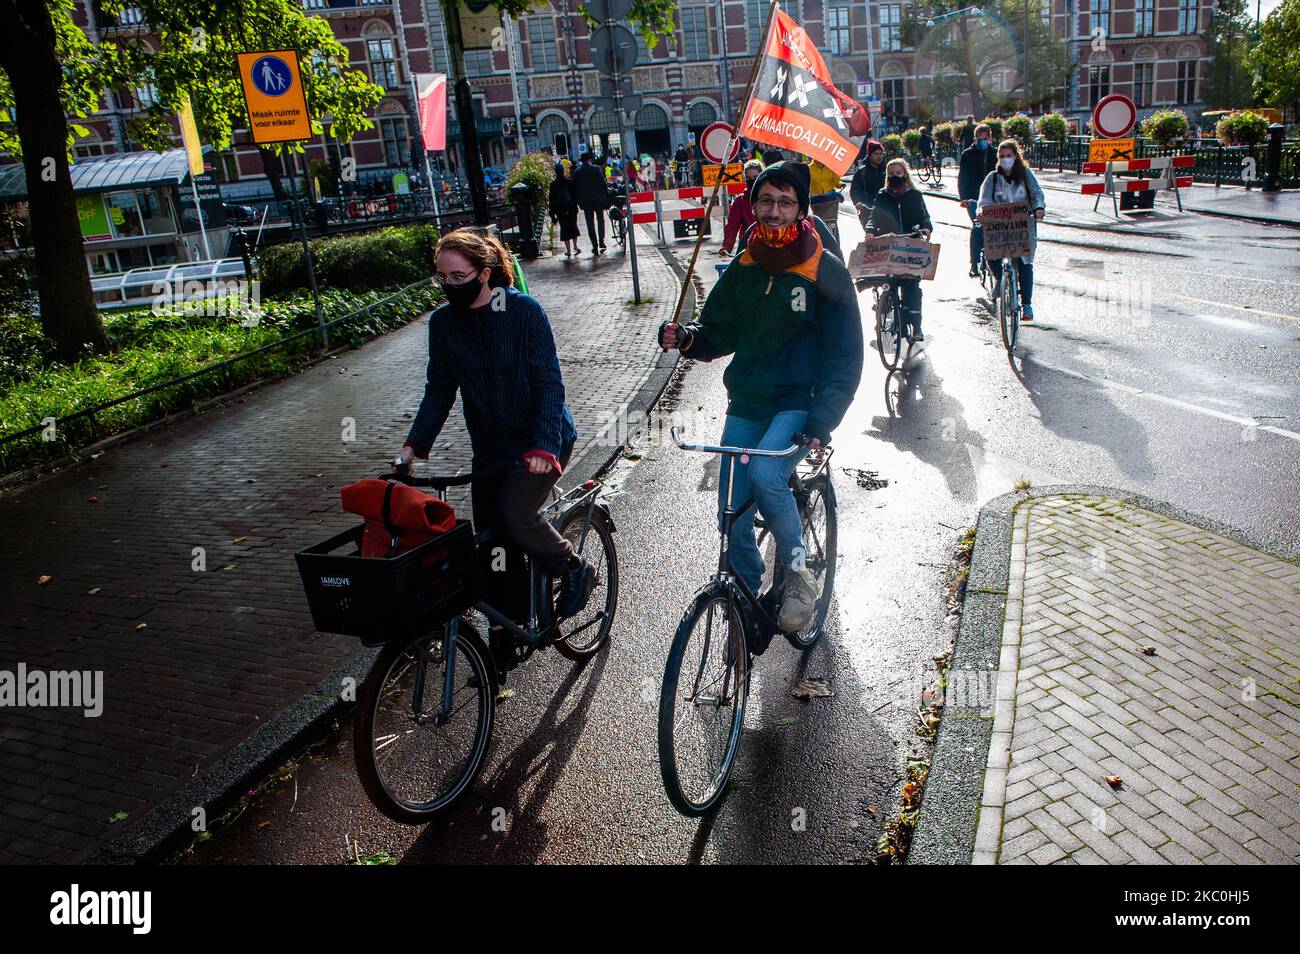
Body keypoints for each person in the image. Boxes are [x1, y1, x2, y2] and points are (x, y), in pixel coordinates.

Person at [657, 161, 863, 642]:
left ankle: (797, 575)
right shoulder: (745, 264)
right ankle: (745, 593)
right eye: (766, 201)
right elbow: (719, 330)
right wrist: (687, 337)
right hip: (746, 400)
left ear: (800, 209)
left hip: (798, 401)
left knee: (767, 475)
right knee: (732, 508)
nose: (773, 211)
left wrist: (822, 418)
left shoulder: (822, 269)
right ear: (753, 204)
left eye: (785, 202)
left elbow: (846, 355)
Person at [398, 230, 595, 671]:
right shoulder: (444, 324)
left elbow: (550, 383)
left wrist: (545, 444)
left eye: (459, 276)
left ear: (484, 274)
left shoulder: (524, 313)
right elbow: (439, 390)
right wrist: (411, 449)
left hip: (541, 443)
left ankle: (574, 566)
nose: (450, 285)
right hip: (490, 450)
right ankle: (504, 638)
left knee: (515, 514)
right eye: (443, 278)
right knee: (489, 544)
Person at [977, 139, 1046, 321]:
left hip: (1023, 225)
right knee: (991, 253)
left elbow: (1036, 193)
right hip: (998, 226)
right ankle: (1000, 278)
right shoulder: (992, 178)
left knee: (1025, 263)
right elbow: (984, 200)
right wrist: (982, 212)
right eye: (1001, 156)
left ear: (1015, 156)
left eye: (1008, 156)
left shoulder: (1025, 174)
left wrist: (1039, 208)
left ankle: (1027, 305)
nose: (1005, 159)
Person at [868, 158, 933, 342]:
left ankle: (917, 326)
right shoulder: (882, 195)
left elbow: (925, 217)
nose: (894, 176)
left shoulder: (915, 195)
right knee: (892, 283)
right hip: (890, 246)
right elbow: (874, 216)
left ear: (905, 174)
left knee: (912, 286)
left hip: (911, 245)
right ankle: (900, 324)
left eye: (898, 173)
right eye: (891, 174)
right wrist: (870, 231)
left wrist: (926, 228)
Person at [958, 123, 997, 278]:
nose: (982, 142)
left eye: (984, 139)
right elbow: (962, 178)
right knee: (978, 226)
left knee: (994, 228)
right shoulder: (967, 155)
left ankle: (994, 258)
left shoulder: (995, 153)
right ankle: (974, 263)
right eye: (979, 139)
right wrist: (964, 198)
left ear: (989, 138)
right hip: (973, 198)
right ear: (974, 139)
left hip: (993, 198)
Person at [719, 158, 762, 256]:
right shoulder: (740, 201)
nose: (752, 181)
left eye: (755, 177)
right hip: (748, 248)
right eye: (748, 178)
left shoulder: (772, 198)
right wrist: (726, 247)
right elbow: (732, 226)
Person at [573, 151, 609, 255]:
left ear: (582, 160)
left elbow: (575, 189)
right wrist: (604, 198)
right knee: (600, 220)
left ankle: (594, 245)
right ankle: (601, 241)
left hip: (586, 202)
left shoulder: (578, 172)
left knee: (590, 223)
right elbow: (603, 184)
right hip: (598, 200)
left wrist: (578, 202)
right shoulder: (596, 169)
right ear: (590, 160)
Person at [850, 139, 887, 230]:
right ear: (870, 155)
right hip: (867, 212)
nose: (879, 157)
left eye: (880, 153)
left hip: (885, 211)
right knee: (872, 239)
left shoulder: (886, 171)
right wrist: (858, 202)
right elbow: (855, 190)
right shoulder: (861, 172)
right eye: (876, 154)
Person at [548, 160, 581, 257]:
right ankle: (575, 246)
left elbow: (551, 200)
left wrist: (552, 215)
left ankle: (568, 250)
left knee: (564, 228)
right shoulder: (569, 182)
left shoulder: (553, 185)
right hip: (571, 208)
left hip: (560, 210)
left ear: (555, 172)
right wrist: (576, 206)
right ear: (563, 171)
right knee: (573, 226)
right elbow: (575, 195)